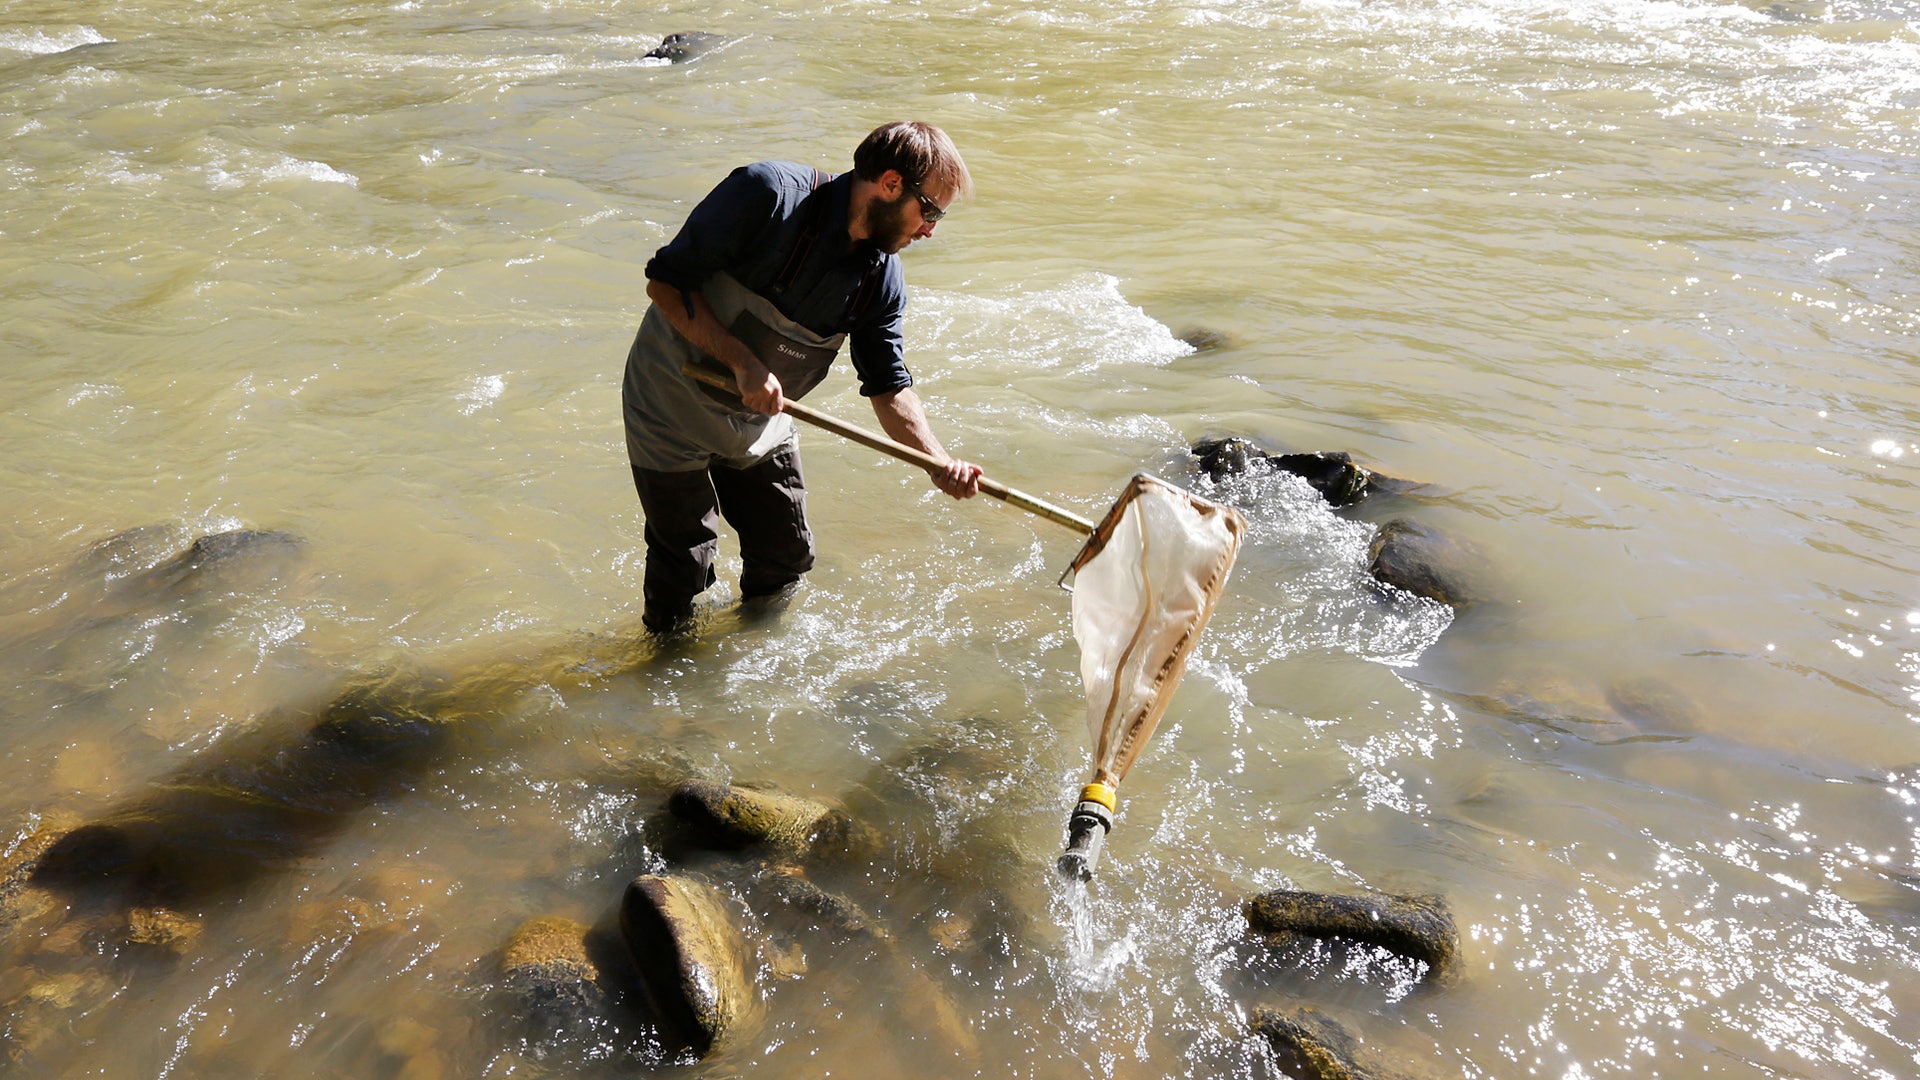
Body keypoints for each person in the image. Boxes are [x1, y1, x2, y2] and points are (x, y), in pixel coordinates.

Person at [622, 121, 983, 634]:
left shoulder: (881, 280)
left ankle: (744, 671)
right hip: (668, 402)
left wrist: (937, 460)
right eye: (930, 210)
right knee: (685, 568)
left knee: (785, 557)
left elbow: (889, 386)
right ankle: (664, 684)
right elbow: (664, 284)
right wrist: (744, 362)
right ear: (890, 183)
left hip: (758, 420)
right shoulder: (765, 195)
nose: (930, 229)